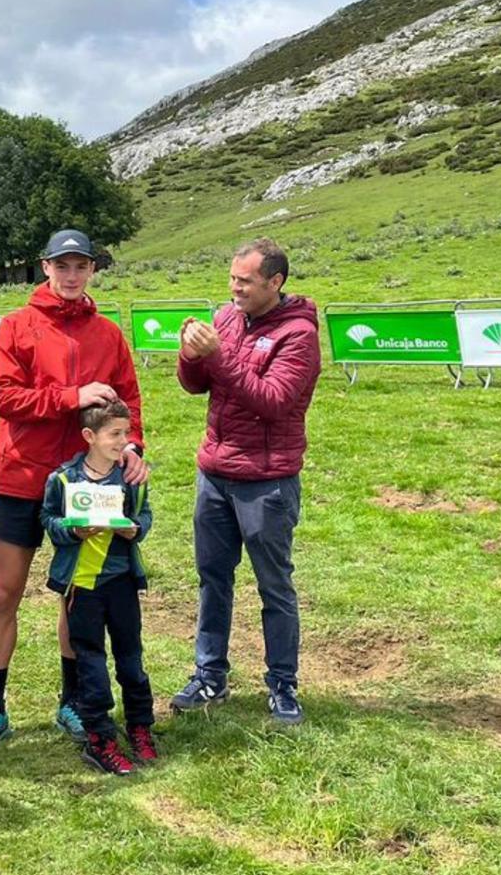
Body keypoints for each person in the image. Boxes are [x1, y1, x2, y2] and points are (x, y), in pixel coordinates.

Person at [0, 229, 148, 757]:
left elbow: (128, 399)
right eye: (61, 265)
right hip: (21, 478)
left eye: (80, 266)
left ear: (92, 270)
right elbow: (5, 398)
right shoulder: (18, 327)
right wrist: (73, 397)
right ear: (45, 268)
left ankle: (72, 700)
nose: (71, 275)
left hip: (86, 484)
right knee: (6, 593)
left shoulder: (108, 334)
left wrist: (131, 447)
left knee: (78, 595)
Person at [171, 237, 321, 725]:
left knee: (274, 585)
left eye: (245, 281)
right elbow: (196, 386)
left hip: (267, 480)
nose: (234, 288)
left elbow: (273, 400)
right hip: (214, 473)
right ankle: (209, 673)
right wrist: (190, 355)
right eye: (232, 278)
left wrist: (216, 357)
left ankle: (282, 684)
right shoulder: (225, 317)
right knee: (213, 579)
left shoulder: (298, 334)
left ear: (274, 282)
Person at [40, 400, 155, 775]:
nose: (123, 442)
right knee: (91, 666)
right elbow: (49, 519)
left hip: (122, 584)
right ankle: (100, 740)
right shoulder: (64, 479)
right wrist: (72, 531)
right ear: (89, 436)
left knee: (131, 660)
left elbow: (144, 516)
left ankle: (140, 728)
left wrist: (134, 529)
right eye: (114, 434)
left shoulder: (131, 478)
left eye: (126, 433)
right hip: (83, 586)